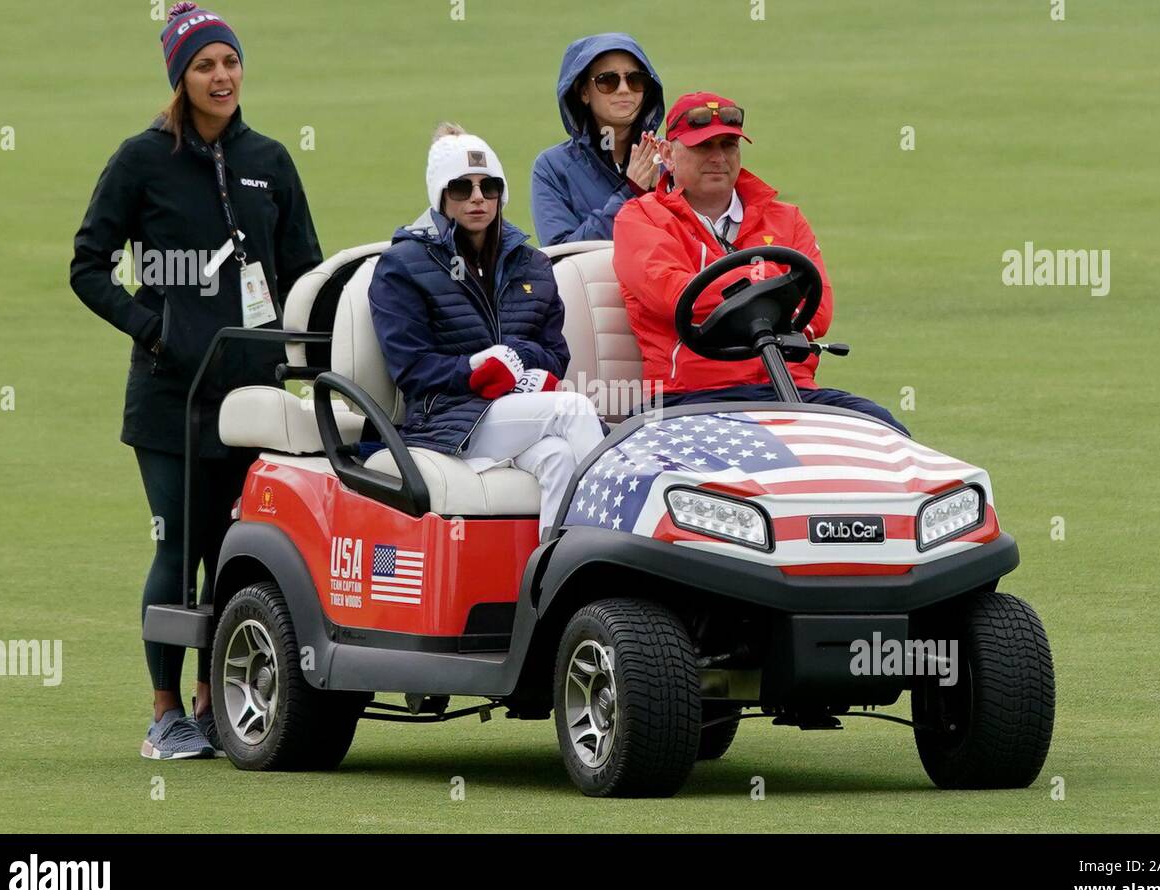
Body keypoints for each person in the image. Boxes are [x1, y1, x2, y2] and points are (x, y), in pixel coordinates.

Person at [69, 2, 323, 759]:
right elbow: (88, 266)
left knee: (238, 550)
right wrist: (154, 328)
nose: (222, 76)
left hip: (257, 401)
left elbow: (305, 270)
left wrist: (305, 359)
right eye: (206, 65)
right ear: (181, 78)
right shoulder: (141, 159)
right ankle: (164, 712)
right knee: (179, 548)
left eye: (230, 62)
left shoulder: (270, 160)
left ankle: (218, 703)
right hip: (170, 398)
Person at [612, 91, 909, 434]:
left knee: (885, 429)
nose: (718, 158)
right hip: (688, 397)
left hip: (789, 389)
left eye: (728, 145)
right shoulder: (640, 219)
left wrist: (743, 291)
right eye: (702, 147)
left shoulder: (787, 219)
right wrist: (771, 281)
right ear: (667, 154)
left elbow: (820, 312)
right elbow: (674, 295)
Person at [369, 124, 603, 533]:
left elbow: (555, 353)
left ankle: (554, 582)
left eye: (489, 186)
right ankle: (616, 540)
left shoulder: (533, 265)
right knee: (574, 408)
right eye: (461, 188)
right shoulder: (402, 266)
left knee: (559, 459)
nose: (477, 198)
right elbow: (411, 370)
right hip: (445, 420)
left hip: (516, 412)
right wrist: (475, 368)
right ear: (441, 196)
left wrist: (521, 361)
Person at [531, 33, 664, 246]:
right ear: (584, 92)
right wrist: (631, 192)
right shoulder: (552, 168)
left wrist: (662, 198)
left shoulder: (672, 156)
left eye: (635, 80)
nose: (624, 89)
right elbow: (563, 254)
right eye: (608, 81)